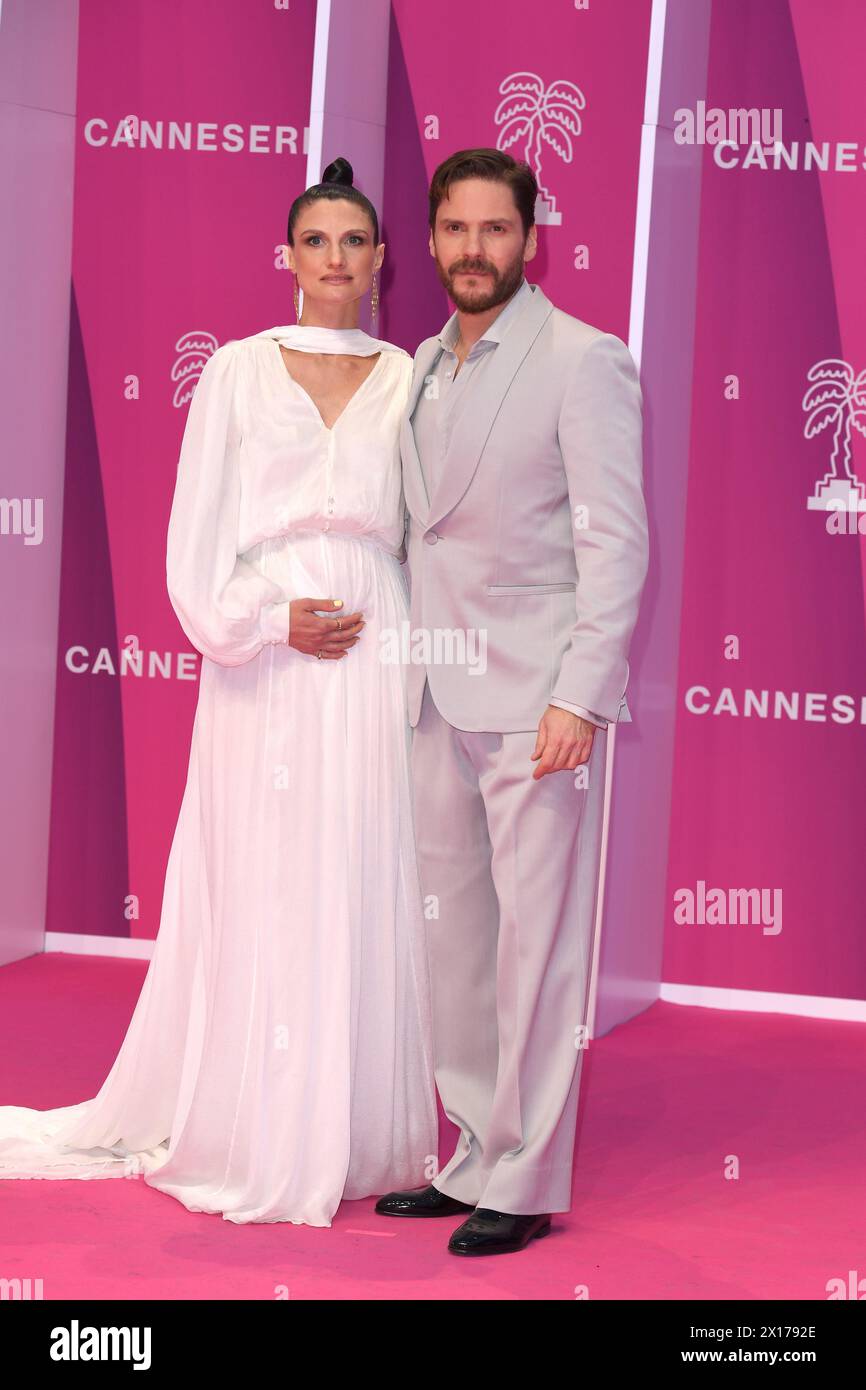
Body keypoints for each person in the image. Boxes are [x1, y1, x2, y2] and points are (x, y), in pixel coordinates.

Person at [0, 157, 438, 1227]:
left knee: (363, 868)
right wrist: (262, 620)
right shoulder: (237, 372)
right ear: (286, 255)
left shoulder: (410, 375)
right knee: (268, 870)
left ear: (381, 260)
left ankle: (356, 1129)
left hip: (376, 648)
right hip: (268, 660)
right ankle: (252, 1121)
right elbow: (195, 535)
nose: (335, 259)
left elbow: (432, 530)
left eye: (353, 242)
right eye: (316, 240)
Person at [375, 149, 649, 1256]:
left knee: (534, 946)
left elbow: (615, 541)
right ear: (432, 240)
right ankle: (474, 1151)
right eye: (455, 230)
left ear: (530, 240)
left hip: (537, 698)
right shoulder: (420, 364)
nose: (473, 250)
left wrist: (581, 694)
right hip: (432, 691)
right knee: (456, 942)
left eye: (496, 230)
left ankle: (526, 1177)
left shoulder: (585, 361)